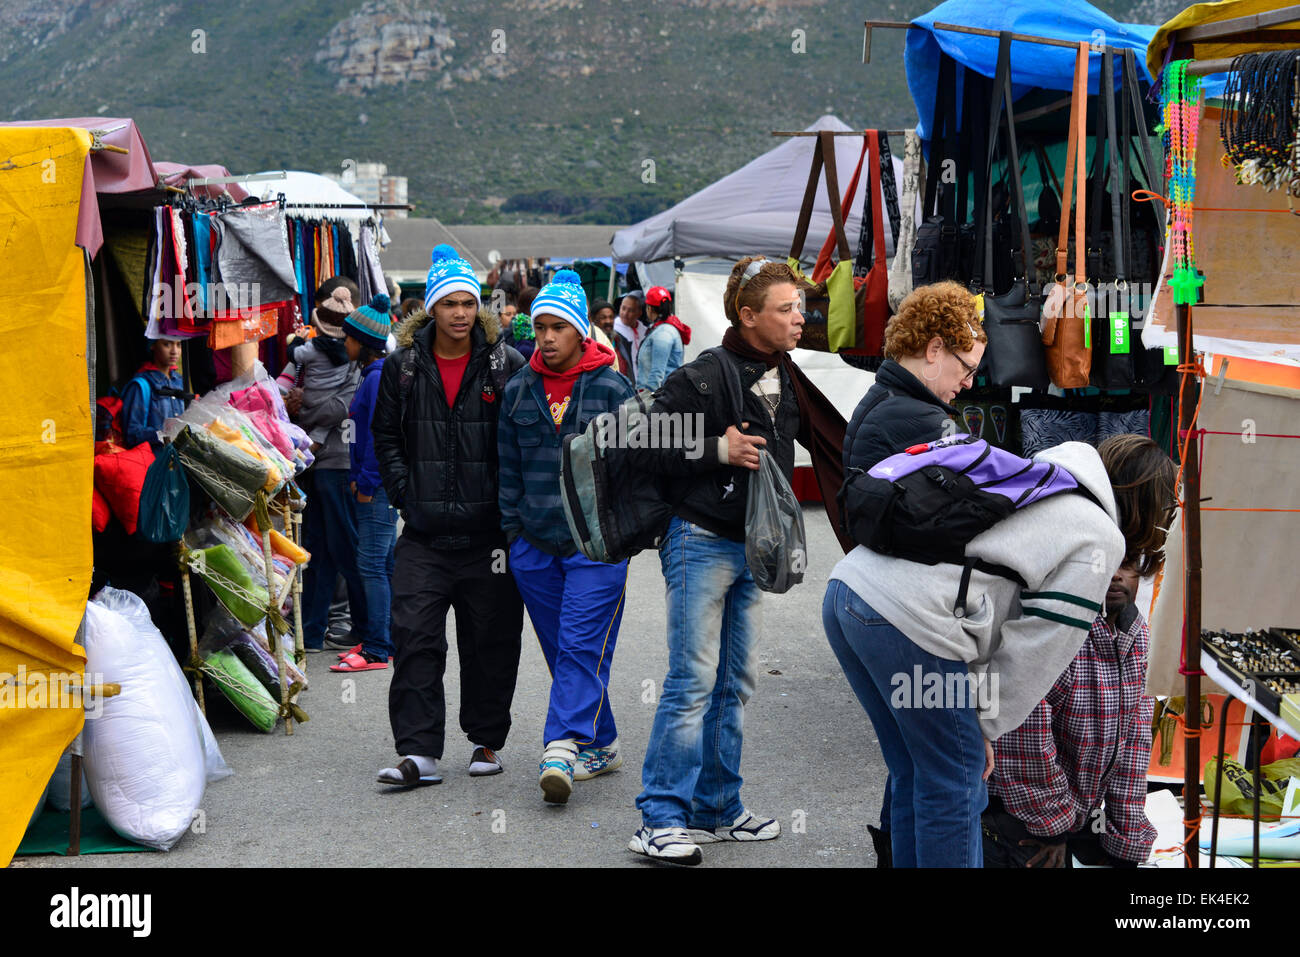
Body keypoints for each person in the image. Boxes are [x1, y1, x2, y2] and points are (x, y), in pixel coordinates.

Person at [823, 378, 1175, 865]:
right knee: (956, 786)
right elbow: (1035, 653)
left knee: (915, 771)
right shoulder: (1098, 539)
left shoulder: (1048, 476)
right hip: (907, 621)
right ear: (1147, 507)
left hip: (849, 590)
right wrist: (985, 727)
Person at [627, 256, 844, 865]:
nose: (800, 318)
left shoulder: (790, 374)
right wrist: (713, 447)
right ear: (748, 317)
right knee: (692, 681)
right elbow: (639, 439)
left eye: (800, 306)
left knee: (734, 682)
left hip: (749, 548)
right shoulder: (701, 374)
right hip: (698, 540)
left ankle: (718, 809)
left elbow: (834, 442)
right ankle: (659, 817)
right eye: (786, 309)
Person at [839, 281, 987, 865]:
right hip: (905, 609)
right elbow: (977, 509)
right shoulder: (920, 418)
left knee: (912, 769)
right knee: (954, 776)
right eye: (967, 366)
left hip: (861, 593)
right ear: (933, 349)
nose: (970, 382)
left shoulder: (883, 400)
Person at [372, 245, 526, 785]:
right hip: (423, 534)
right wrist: (404, 493)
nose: (460, 313)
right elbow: (385, 436)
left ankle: (486, 742)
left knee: (491, 642)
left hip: (490, 538)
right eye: (449, 304)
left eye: (469, 303)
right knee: (414, 637)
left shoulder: (505, 363)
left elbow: (523, 439)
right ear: (431, 309)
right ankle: (419, 753)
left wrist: (512, 511)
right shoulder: (404, 366)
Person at [983, 437, 1174, 868]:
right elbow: (1022, 726)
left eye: (1134, 560)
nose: (1119, 575)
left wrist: (1127, 844)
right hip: (1018, 815)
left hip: (1060, 813)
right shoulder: (1068, 601)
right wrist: (1052, 826)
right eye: (1115, 558)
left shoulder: (1133, 634)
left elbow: (1134, 742)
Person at [497, 269, 636, 805]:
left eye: (558, 327)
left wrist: (622, 532)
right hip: (534, 545)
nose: (547, 338)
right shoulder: (518, 389)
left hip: (597, 547)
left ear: (581, 330)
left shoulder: (612, 386)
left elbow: (635, 468)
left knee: (579, 643)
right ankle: (601, 742)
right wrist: (514, 535)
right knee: (564, 650)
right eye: (540, 328)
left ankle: (561, 744)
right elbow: (507, 469)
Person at [288, 278, 369, 655]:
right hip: (317, 465)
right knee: (318, 549)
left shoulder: (357, 365)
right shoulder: (320, 356)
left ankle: (370, 630)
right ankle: (313, 629)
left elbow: (341, 408)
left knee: (345, 550)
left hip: (337, 464)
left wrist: (302, 412)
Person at [330, 295, 398, 673]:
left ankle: (375, 649)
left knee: (371, 565)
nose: (344, 343)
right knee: (381, 565)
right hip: (374, 485)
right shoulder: (373, 376)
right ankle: (382, 639)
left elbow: (377, 438)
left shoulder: (376, 380)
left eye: (348, 338)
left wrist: (366, 482)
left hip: (377, 488)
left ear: (363, 343)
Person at [119, 334, 190, 451]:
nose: (174, 351)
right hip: (154, 461)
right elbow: (132, 434)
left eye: (178, 345)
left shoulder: (179, 382)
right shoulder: (140, 386)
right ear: (153, 345)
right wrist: (164, 433)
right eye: (167, 344)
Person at [637, 286, 692, 390]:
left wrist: (647, 400)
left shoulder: (663, 333)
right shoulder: (662, 329)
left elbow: (657, 373)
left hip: (659, 398)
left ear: (649, 308)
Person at [611, 290, 644, 383]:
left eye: (631, 310)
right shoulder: (613, 328)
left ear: (639, 313)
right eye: (623, 308)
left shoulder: (644, 330)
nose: (625, 313)